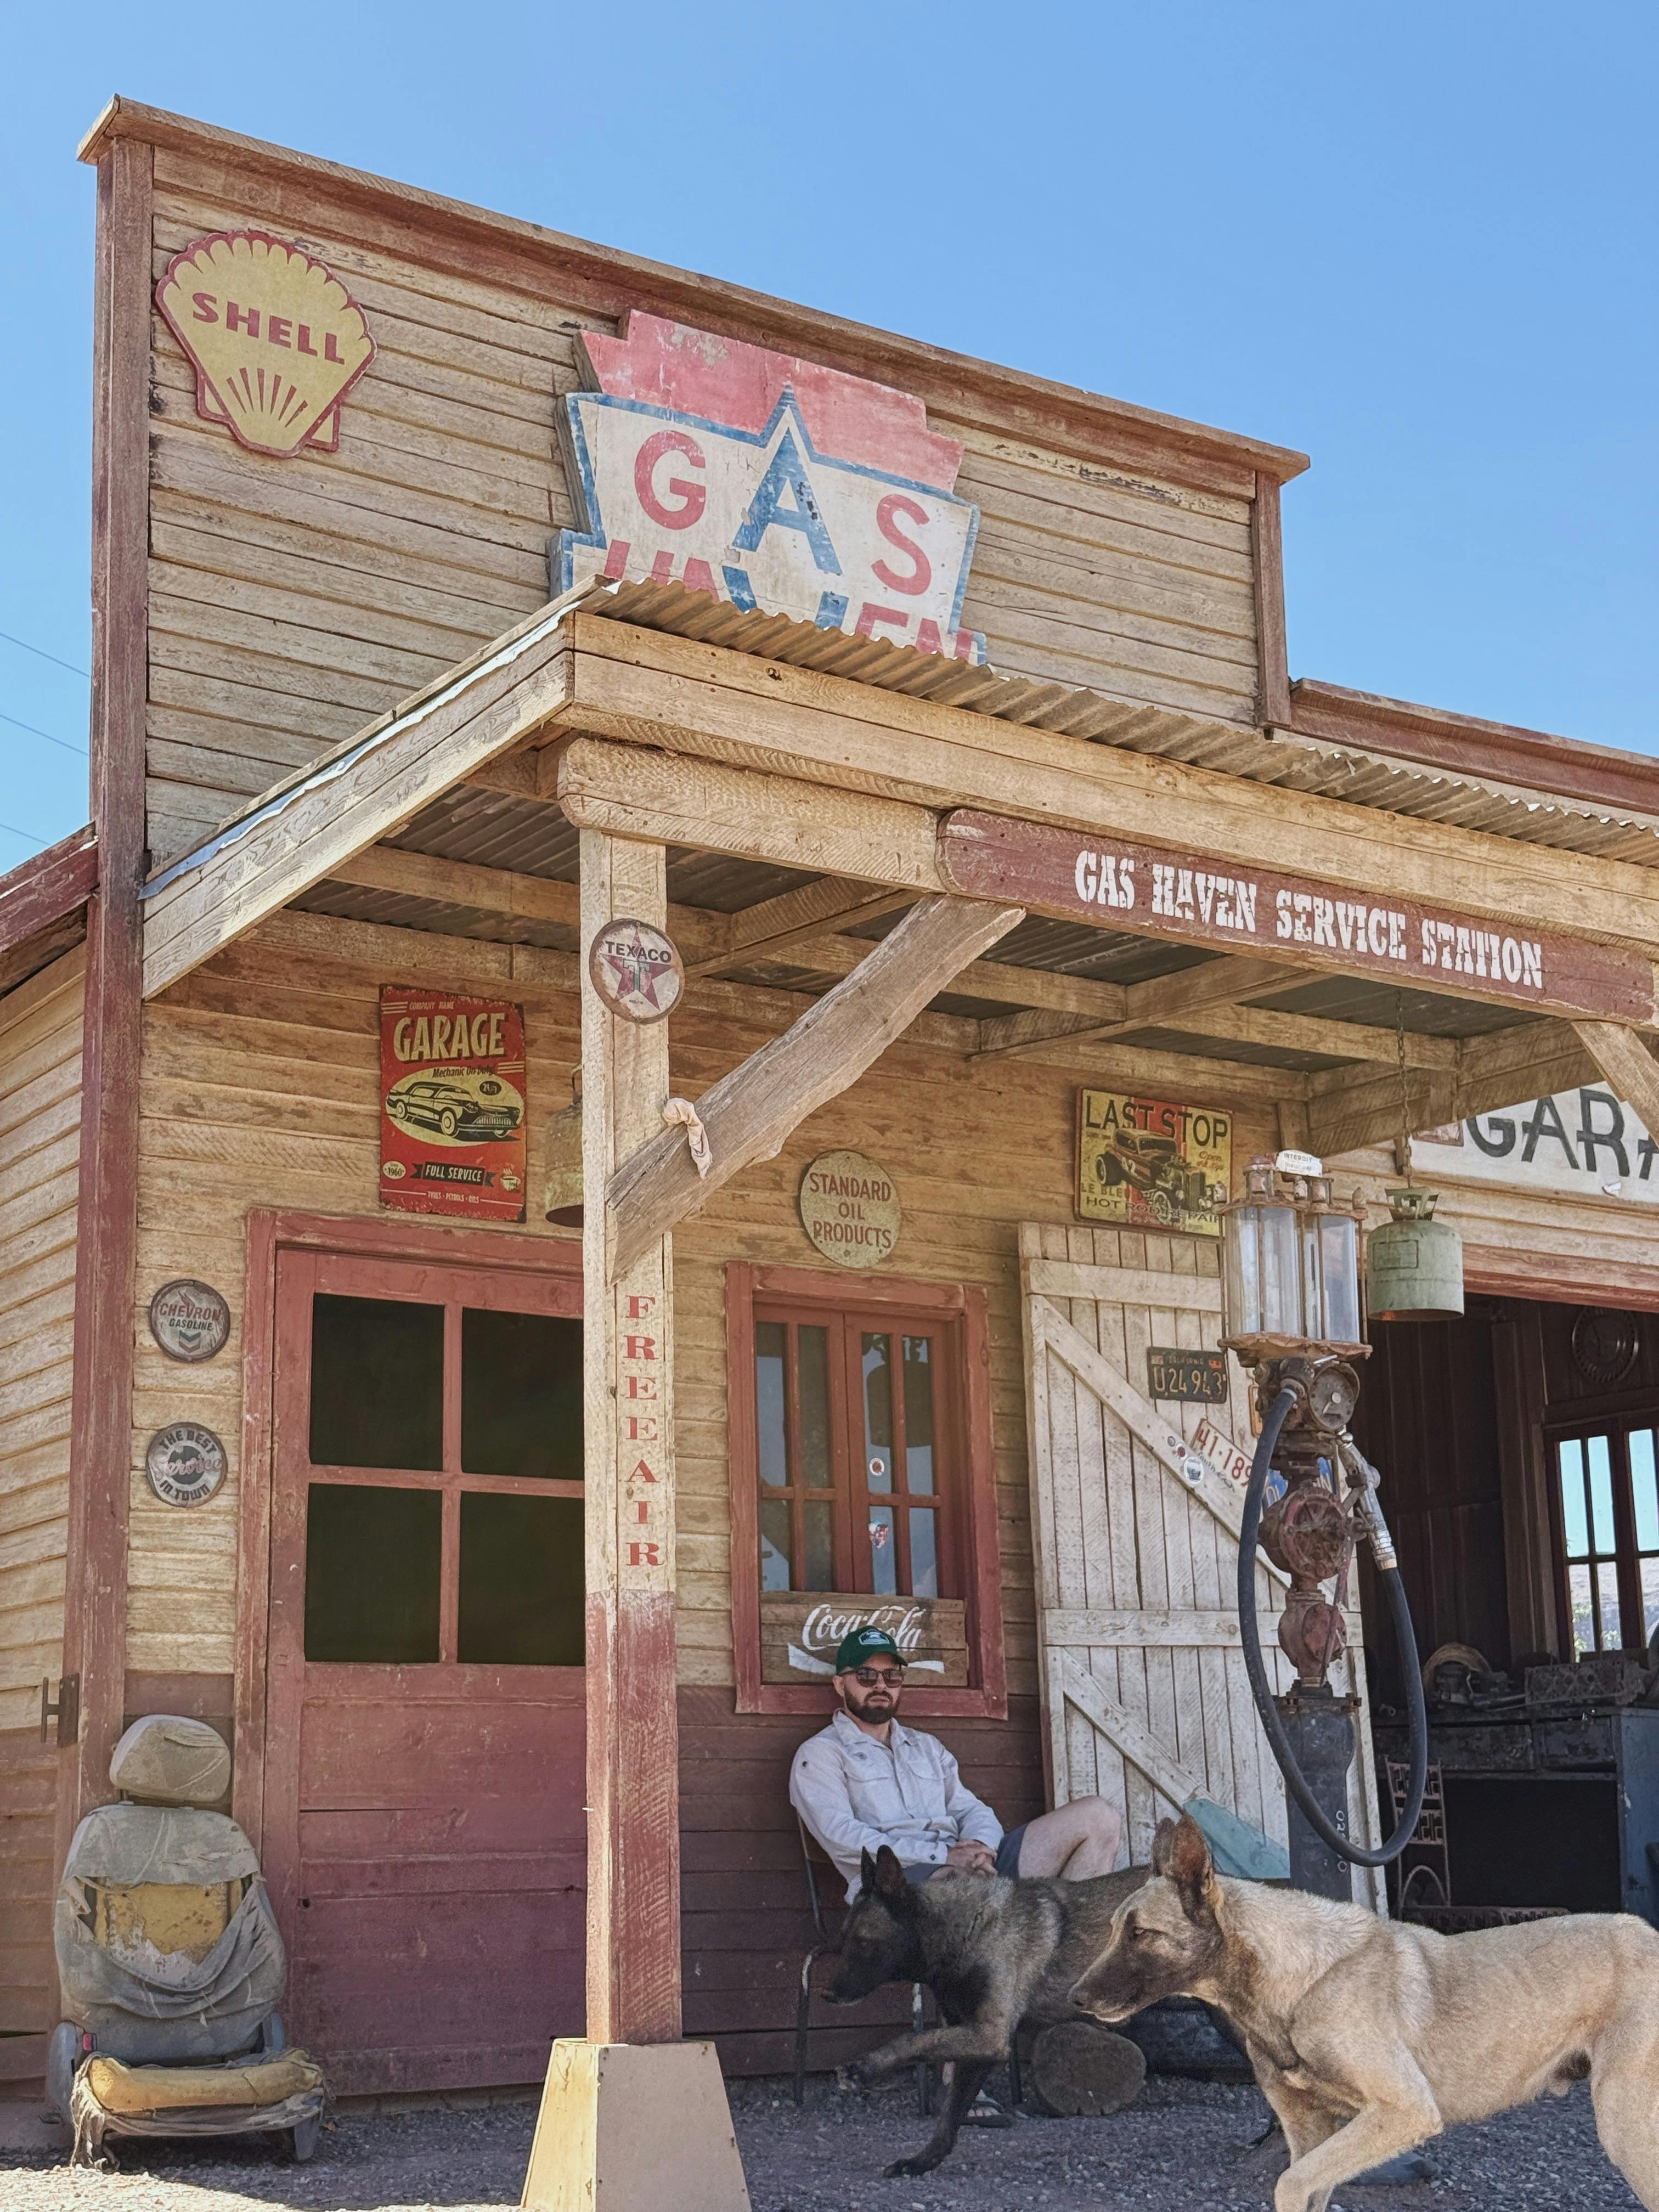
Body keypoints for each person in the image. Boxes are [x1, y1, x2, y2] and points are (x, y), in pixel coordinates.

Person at [790, 1624, 1123, 1903]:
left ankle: (1074, 1955)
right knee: (962, 1886)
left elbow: (971, 1810)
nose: (881, 1685)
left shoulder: (926, 1747)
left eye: (891, 1676)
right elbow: (842, 1836)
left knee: (1098, 1817)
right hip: (896, 1887)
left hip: (969, 1868)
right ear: (839, 1684)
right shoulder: (820, 1754)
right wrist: (943, 1858)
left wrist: (982, 1850)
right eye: (866, 1675)